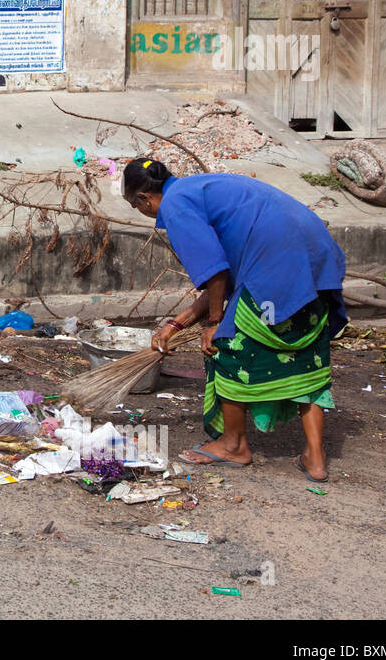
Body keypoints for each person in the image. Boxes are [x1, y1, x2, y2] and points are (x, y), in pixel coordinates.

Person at [122, 158, 346, 482]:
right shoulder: (199, 187)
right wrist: (177, 324)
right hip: (313, 253)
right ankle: (315, 457)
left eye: (135, 206)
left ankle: (233, 444)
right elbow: (223, 279)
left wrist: (214, 325)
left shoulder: (174, 205)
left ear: (144, 198)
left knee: (225, 348)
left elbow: (215, 273)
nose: (141, 211)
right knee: (305, 357)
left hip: (274, 263)